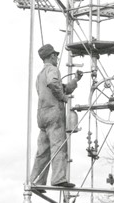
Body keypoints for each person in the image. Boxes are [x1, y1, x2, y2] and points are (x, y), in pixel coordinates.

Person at [30, 43, 82, 189]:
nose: (57, 58)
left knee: (43, 151)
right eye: (55, 56)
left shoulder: (40, 75)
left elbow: (60, 87)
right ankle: (58, 178)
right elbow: (54, 84)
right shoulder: (53, 70)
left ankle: (36, 181)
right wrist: (62, 97)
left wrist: (75, 80)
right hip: (54, 113)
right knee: (58, 146)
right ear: (52, 56)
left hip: (42, 115)